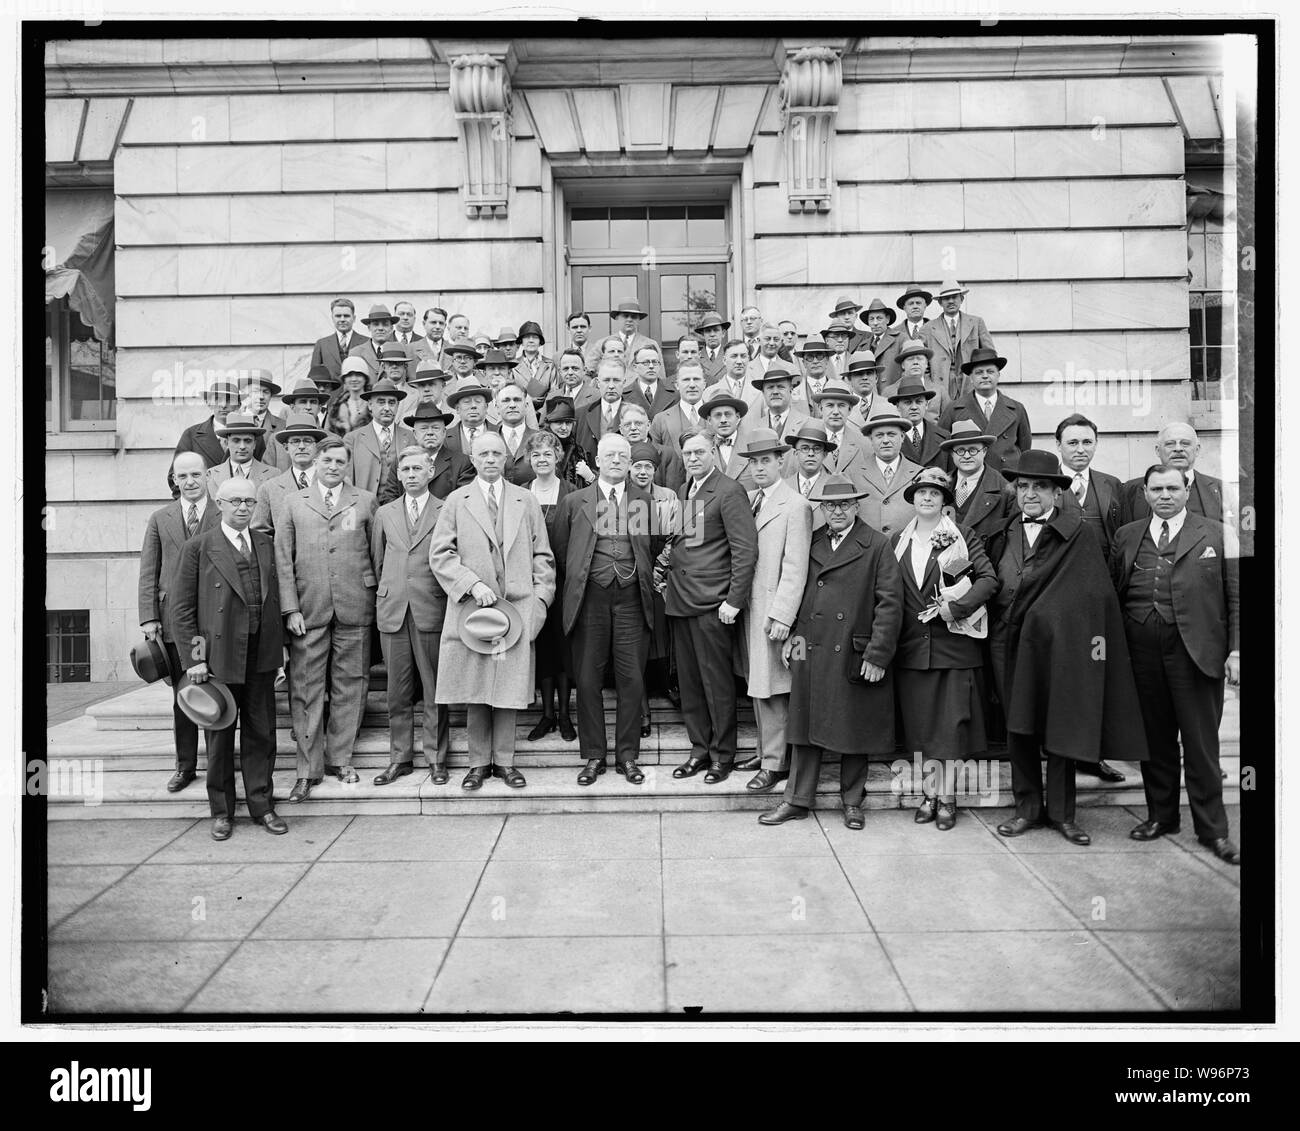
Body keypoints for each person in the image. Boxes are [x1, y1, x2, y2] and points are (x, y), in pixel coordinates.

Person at [984, 450, 1149, 846]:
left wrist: (1051, 618)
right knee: (1018, 728)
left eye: (1040, 487)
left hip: (1059, 647)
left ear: (1057, 494)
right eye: (1023, 487)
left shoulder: (1078, 535)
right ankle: (1027, 809)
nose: (1030, 494)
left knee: (1060, 726)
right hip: (1007, 643)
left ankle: (1062, 814)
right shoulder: (1001, 533)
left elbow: (1093, 595)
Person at [1111, 465, 1241, 864]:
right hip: (1142, 652)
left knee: (1201, 746)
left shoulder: (1217, 532)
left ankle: (1213, 830)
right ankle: (1161, 818)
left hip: (1196, 652)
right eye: (1156, 489)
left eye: (1172, 487)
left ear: (1187, 489)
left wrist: (1236, 651)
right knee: (1155, 742)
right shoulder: (1127, 535)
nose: (1164, 495)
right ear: (1145, 493)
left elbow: (1236, 597)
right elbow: (1116, 593)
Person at [759, 474, 902, 829]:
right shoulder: (813, 540)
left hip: (854, 650)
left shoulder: (877, 544)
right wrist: (791, 639)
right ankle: (796, 799)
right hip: (810, 646)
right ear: (822, 509)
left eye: (844, 504)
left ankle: (853, 801)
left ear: (856, 506)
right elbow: (797, 589)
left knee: (854, 729)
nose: (837, 511)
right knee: (803, 726)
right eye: (830, 505)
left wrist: (877, 654)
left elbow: (890, 604)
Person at [430, 431, 556, 791]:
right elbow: (441, 554)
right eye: (482, 453)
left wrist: (539, 603)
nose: (489, 459)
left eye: (496, 454)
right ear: (472, 458)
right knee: (476, 686)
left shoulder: (525, 500)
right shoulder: (457, 500)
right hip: (475, 611)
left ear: (506, 459)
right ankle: (477, 764)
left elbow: (543, 556)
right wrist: (472, 584)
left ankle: (505, 762)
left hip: (516, 612)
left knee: (507, 688)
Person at [170, 477, 287, 840]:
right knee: (219, 736)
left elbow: (275, 601)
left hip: (260, 654)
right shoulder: (199, 547)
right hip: (218, 657)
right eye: (235, 501)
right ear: (219, 503)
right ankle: (221, 811)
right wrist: (195, 661)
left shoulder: (266, 544)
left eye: (250, 502)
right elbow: (182, 609)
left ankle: (262, 806)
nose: (243, 508)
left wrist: (279, 651)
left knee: (262, 734)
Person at [889, 468, 999, 831]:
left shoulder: (959, 538)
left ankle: (948, 797)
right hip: (912, 651)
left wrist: (957, 606)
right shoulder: (898, 542)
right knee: (922, 728)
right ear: (913, 498)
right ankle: (929, 794)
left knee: (949, 729)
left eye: (935, 494)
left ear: (944, 501)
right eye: (921, 492)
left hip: (952, 649)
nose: (927, 498)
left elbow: (987, 581)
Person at [552, 433, 664, 785]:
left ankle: (627, 756)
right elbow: (560, 549)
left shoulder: (644, 502)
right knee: (587, 678)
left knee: (631, 678)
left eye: (623, 456)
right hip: (590, 599)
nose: (616, 460)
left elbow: (654, 544)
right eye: (610, 455)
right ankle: (594, 756)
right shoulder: (574, 502)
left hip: (631, 597)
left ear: (630, 463)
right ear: (598, 460)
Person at [276, 436, 379, 802]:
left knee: (352, 682)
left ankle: (341, 758)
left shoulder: (364, 500)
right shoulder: (292, 503)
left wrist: (376, 599)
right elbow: (283, 561)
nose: (333, 467)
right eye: (327, 461)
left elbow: (376, 553)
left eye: (340, 461)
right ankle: (307, 770)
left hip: (355, 604)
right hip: (309, 608)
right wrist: (290, 608)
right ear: (315, 463)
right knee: (305, 688)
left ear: (347, 465)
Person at [660, 430, 758, 783]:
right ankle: (699, 750)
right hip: (681, 601)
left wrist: (734, 600)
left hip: (713, 603)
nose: (693, 458)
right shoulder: (686, 490)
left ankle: (722, 755)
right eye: (687, 453)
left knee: (716, 684)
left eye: (700, 452)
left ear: (713, 452)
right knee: (690, 684)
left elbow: (744, 550)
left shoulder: (730, 491)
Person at [138, 451, 221, 793]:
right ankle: (185, 766)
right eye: (182, 476)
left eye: (196, 475)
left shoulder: (223, 513)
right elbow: (148, 569)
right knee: (183, 696)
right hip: (174, 622)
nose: (189, 482)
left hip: (215, 621)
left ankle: (219, 766)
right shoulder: (161, 518)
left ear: (207, 477)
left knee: (215, 693)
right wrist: (149, 617)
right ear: (174, 480)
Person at [735, 429, 812, 792]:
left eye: (766, 460)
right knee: (757, 682)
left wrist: (783, 615)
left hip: (772, 609)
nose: (759, 467)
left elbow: (796, 566)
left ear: (781, 461)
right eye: (753, 461)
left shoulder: (795, 505)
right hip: (748, 605)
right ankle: (763, 748)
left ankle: (776, 762)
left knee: (775, 687)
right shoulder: (749, 499)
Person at [370, 445, 450, 787]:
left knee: (434, 689)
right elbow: (377, 560)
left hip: (430, 607)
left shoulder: (446, 510)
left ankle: (436, 758)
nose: (412, 475)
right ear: (399, 475)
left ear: (430, 472)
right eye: (406, 470)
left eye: (418, 469)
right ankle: (399, 758)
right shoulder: (384, 513)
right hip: (393, 610)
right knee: (396, 692)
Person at [524, 430, 576, 743]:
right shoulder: (520, 493)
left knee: (564, 648)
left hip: (567, 581)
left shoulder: (571, 492)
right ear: (529, 460)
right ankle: (546, 715)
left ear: (557, 456)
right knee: (542, 647)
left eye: (548, 453)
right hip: (532, 582)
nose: (542, 459)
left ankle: (566, 715)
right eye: (536, 455)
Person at [1119, 422, 1235, 528]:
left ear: (1197, 450)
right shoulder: (1131, 490)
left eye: (1185, 444)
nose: (1178, 449)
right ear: (1158, 451)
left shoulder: (1220, 489)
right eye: (1170, 444)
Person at [937, 347, 1032, 474]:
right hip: (969, 477)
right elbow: (943, 448)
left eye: (990, 371)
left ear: (998, 375)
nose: (985, 376)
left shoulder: (1016, 409)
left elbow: (1025, 448)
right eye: (979, 372)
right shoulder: (954, 409)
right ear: (971, 378)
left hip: (1007, 478)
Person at [251, 413, 326, 537]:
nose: (301, 446)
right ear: (286, 448)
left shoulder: (332, 481)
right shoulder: (269, 488)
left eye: (307, 441)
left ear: (316, 447)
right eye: (295, 441)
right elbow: (260, 535)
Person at [941, 419, 1017, 541]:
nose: (966, 456)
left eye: (973, 450)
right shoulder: (941, 485)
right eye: (960, 450)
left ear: (984, 451)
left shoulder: (1005, 490)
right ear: (952, 454)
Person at [920, 279, 995, 400]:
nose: (950, 301)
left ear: (962, 299)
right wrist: (931, 387)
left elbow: (990, 356)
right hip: (940, 386)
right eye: (946, 298)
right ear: (940, 302)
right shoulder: (927, 329)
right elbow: (922, 364)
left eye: (954, 297)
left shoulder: (976, 323)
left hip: (970, 383)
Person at [345, 376, 415, 503]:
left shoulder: (410, 437)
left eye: (392, 403)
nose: (387, 408)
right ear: (370, 405)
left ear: (398, 405)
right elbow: (347, 483)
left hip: (400, 510)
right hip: (365, 509)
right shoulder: (353, 439)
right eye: (381, 402)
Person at [170, 379, 245, 495]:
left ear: (239, 405)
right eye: (217, 399)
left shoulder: (250, 436)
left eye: (229, 400)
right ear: (208, 403)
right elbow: (175, 478)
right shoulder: (191, 435)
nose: (223, 405)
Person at [857, 414, 925, 539]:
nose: (886, 440)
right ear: (871, 439)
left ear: (902, 437)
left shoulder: (920, 474)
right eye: (879, 435)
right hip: (866, 552)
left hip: (906, 550)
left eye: (891, 434)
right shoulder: (853, 474)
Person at [401, 401, 474, 501]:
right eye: (424, 428)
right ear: (414, 434)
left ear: (444, 432)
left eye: (435, 428)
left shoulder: (462, 463)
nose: (430, 433)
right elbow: (390, 497)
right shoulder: (402, 461)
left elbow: (463, 497)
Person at [205, 413, 279, 499]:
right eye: (236, 441)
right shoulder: (211, 474)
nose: (242, 446)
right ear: (227, 443)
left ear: (254, 444)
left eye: (247, 441)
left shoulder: (273, 474)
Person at [783, 420, 837, 529]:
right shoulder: (783, 487)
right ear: (795, 453)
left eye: (817, 449)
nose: (811, 454)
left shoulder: (834, 486)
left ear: (825, 454)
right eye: (805, 448)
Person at [891, 376, 951, 472]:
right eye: (907, 402)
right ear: (898, 406)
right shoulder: (890, 438)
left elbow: (950, 475)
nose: (914, 407)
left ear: (926, 404)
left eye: (919, 402)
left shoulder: (944, 437)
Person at [310, 297, 369, 383]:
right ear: (332, 318)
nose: (342, 319)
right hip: (331, 395)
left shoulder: (366, 342)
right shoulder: (321, 344)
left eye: (346, 316)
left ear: (354, 318)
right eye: (338, 316)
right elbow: (315, 376)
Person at [625, 343, 679, 419]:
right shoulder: (624, 396)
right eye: (646, 363)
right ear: (635, 367)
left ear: (660, 365)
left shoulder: (675, 394)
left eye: (654, 362)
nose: (651, 366)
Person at [326, 357, 375, 435]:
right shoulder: (336, 407)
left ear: (365, 378)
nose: (354, 379)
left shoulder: (374, 404)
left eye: (358, 375)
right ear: (344, 379)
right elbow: (329, 435)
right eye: (349, 375)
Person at [858, 297, 903, 375]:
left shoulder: (901, 339)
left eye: (879, 318)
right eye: (871, 319)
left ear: (887, 319)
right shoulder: (862, 346)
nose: (875, 323)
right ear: (868, 322)